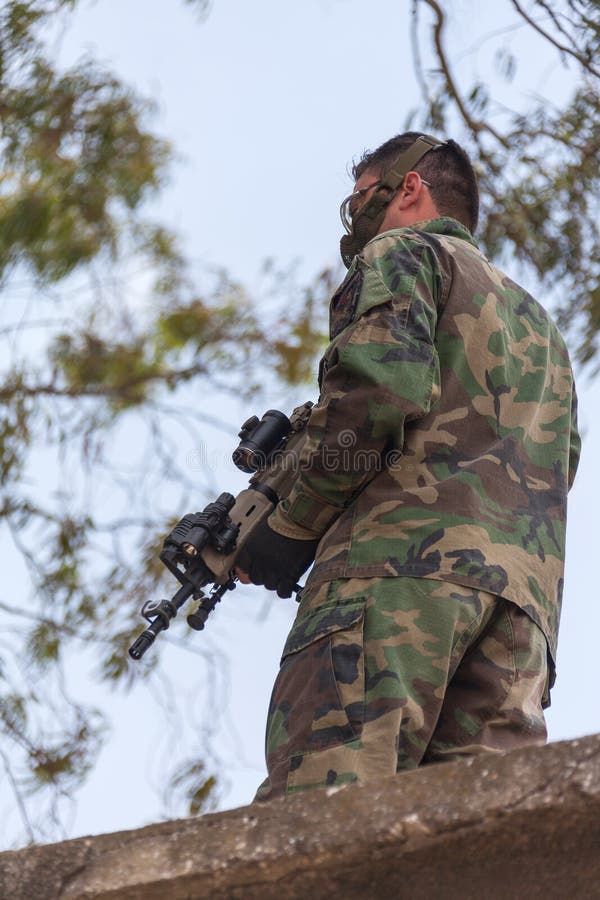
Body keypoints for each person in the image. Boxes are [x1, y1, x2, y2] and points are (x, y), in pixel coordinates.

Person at [236, 132, 581, 800]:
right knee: (474, 850)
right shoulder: (540, 326)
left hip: (396, 579)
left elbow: (376, 395)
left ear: (410, 189)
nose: (355, 225)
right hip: (519, 621)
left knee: (325, 822)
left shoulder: (405, 251)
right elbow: (560, 465)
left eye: (359, 201)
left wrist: (291, 527)